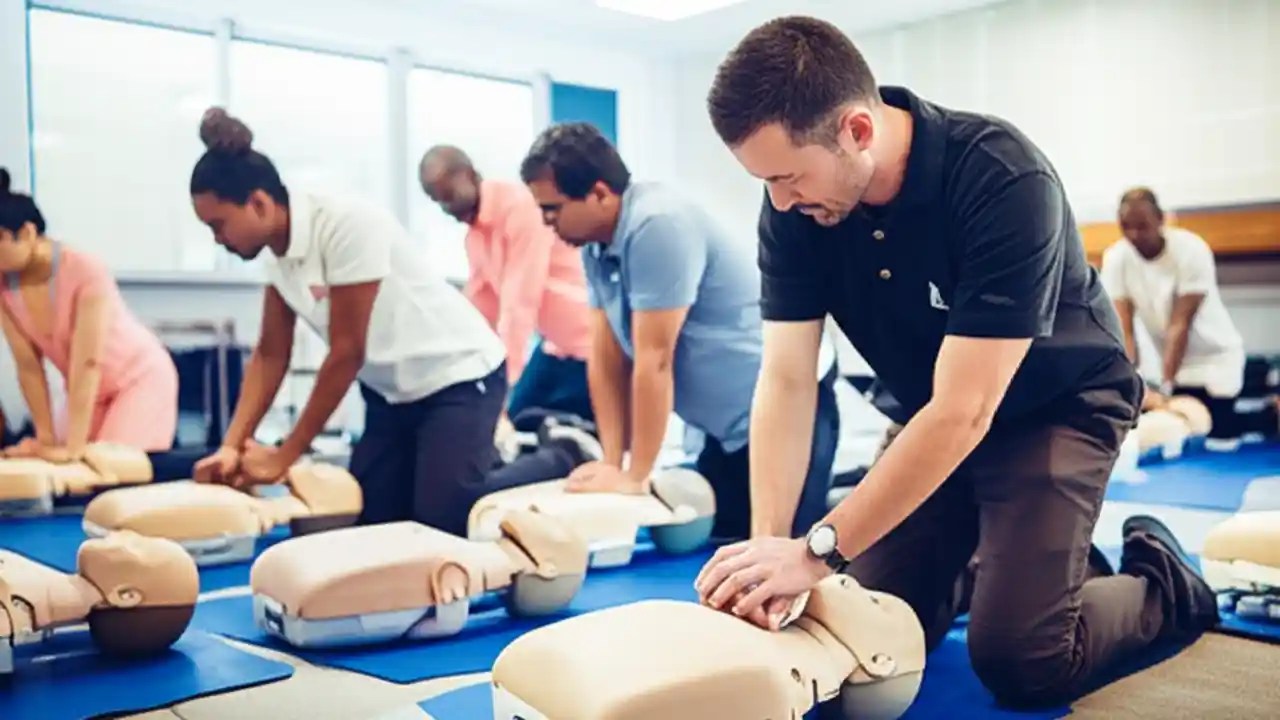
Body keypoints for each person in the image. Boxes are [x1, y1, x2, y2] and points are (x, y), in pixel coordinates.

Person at [691, 16, 1219, 709]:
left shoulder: (1000, 176)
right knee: (870, 621)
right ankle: (1015, 563)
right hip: (931, 413)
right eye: (766, 183)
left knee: (1022, 660)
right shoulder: (791, 206)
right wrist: (767, 552)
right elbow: (789, 380)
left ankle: (1161, 580)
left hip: (1055, 407)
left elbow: (967, 409)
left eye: (788, 176)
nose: (780, 200)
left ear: (856, 131)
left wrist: (815, 550)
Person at [187, 109, 599, 536]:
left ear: (258, 203)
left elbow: (347, 353)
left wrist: (284, 454)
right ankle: (472, 457)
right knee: (377, 519)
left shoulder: (346, 225)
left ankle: (565, 453)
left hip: (458, 377)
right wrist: (231, 446)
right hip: (391, 392)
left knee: (447, 514)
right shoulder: (277, 257)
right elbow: (271, 354)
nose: (218, 238)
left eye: (219, 225)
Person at [519, 122, 840, 541]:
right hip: (724, 429)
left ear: (599, 193)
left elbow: (654, 359)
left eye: (553, 209)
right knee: (720, 547)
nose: (546, 222)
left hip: (790, 406)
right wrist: (613, 462)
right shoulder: (596, 246)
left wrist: (637, 475)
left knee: (783, 552)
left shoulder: (658, 224)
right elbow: (607, 356)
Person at [0, 168, 178, 458]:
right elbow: (28, 367)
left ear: (28, 233)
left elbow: (88, 363)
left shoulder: (83, 269)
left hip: (138, 378)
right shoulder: (4, 283)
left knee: (102, 470)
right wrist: (45, 440)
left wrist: (75, 448)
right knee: (57, 463)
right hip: (85, 390)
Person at [419, 146, 595, 436]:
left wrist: (501, 382)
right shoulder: (475, 236)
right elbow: (479, 305)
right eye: (437, 201)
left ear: (470, 175)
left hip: (591, 346)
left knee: (565, 437)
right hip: (555, 347)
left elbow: (520, 301)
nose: (446, 209)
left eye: (449, 196)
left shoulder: (521, 208)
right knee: (517, 423)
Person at [1101, 187, 1246, 446]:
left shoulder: (1191, 249)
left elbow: (1180, 326)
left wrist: (1165, 386)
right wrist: (1130, 384)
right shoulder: (1116, 258)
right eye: (1126, 226)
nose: (1134, 234)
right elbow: (1124, 331)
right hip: (1174, 367)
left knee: (1220, 430)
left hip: (1214, 358)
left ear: (1161, 219)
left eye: (1142, 226)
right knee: (1181, 424)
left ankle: (1269, 412)